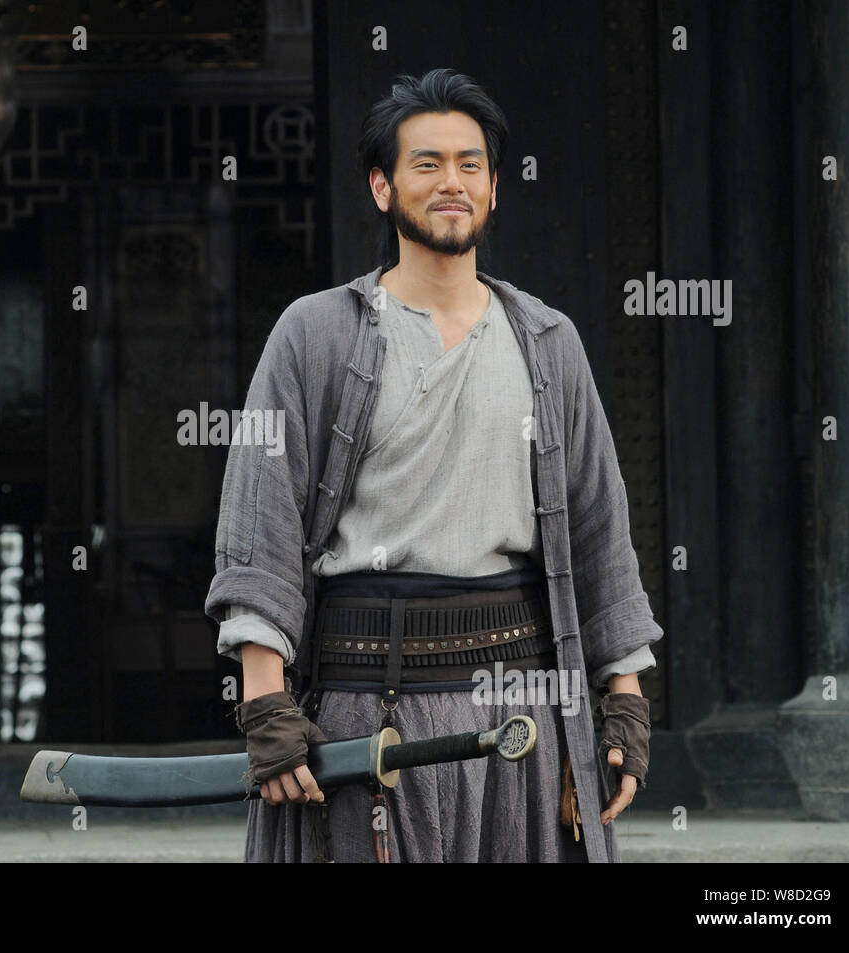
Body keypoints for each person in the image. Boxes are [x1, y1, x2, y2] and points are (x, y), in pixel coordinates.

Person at [205, 68, 661, 863]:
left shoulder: (549, 344)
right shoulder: (315, 335)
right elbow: (262, 522)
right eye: (426, 163)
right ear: (382, 186)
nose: (451, 181)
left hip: (523, 716)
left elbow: (600, 535)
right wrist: (265, 697)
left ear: (493, 189)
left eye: (470, 164)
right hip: (360, 715)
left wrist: (622, 702)